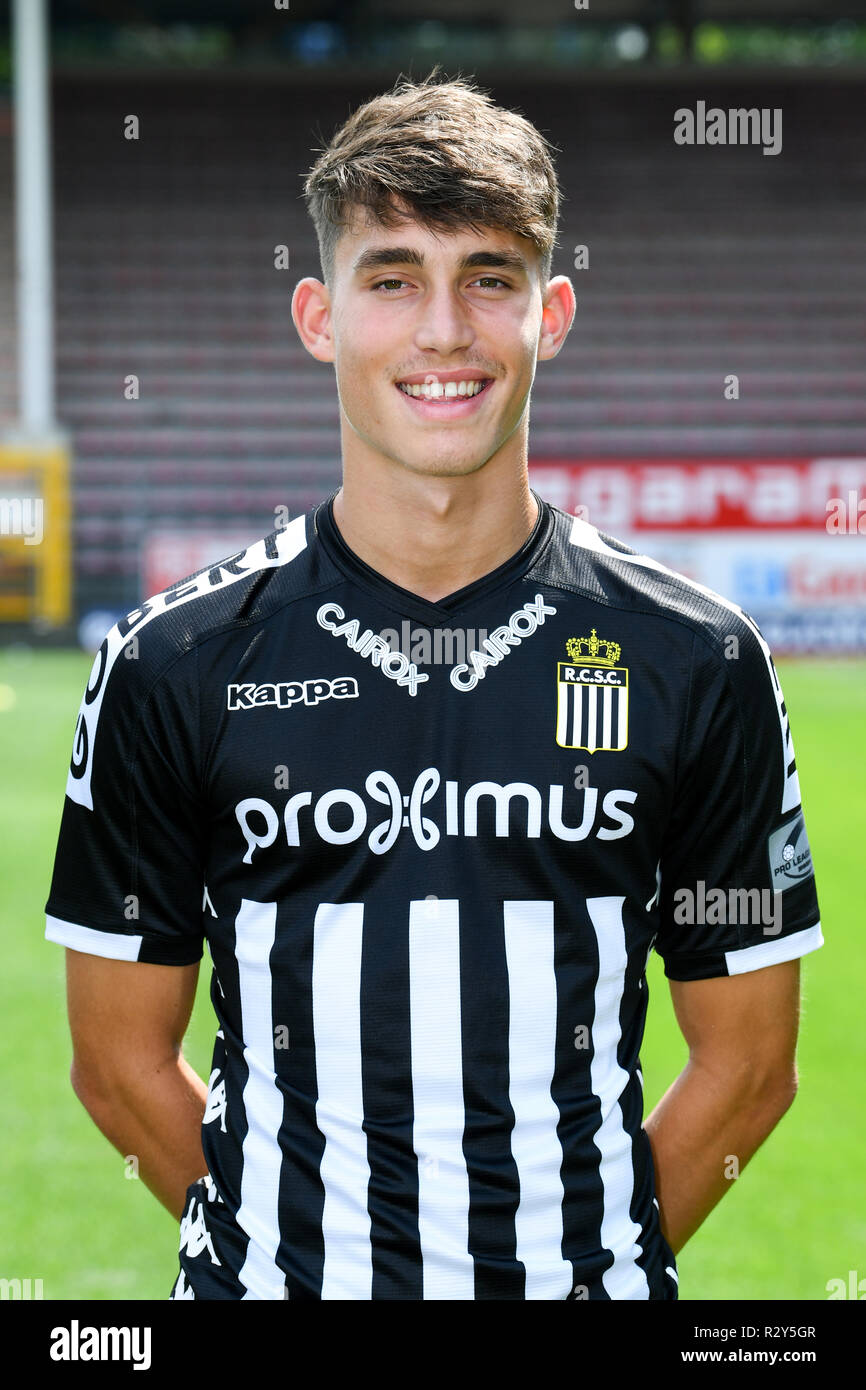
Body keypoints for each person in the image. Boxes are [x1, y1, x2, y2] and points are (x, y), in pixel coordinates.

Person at [44, 70, 822, 1301]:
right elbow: (116, 1065)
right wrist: (292, 1262)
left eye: (489, 279)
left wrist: (582, 1271)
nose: (443, 331)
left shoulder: (699, 657)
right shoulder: (170, 663)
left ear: (550, 313)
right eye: (392, 277)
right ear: (319, 315)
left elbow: (750, 1067)